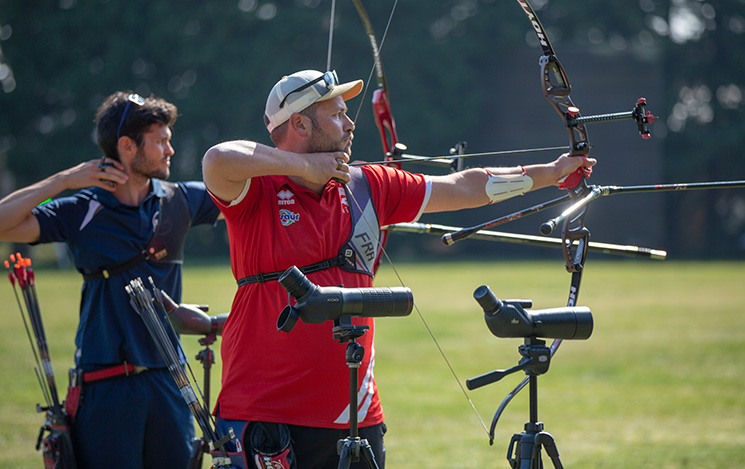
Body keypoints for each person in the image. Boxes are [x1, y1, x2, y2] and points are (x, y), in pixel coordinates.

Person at [201, 69, 596, 469]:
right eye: (337, 113)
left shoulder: (368, 185)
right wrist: (303, 168)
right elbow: (217, 159)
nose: (350, 122)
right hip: (263, 411)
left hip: (353, 415)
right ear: (300, 123)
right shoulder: (255, 189)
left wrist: (553, 172)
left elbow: (464, 187)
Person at [0, 91, 221, 469]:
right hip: (105, 386)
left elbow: (248, 194)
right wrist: (65, 179)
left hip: (169, 382)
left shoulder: (180, 200)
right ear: (127, 146)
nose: (171, 149)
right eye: (161, 140)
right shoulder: (84, 209)